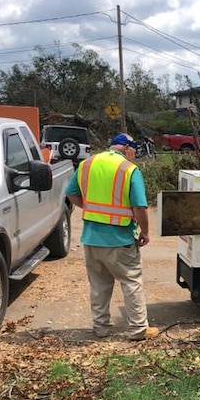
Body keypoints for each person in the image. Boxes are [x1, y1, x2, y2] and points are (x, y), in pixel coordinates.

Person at [66, 132, 159, 341]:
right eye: (134, 149)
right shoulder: (129, 169)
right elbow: (140, 207)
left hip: (91, 238)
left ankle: (101, 328)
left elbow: (71, 193)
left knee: (99, 285)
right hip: (120, 238)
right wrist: (145, 232)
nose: (134, 154)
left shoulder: (87, 164)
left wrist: (89, 208)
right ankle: (138, 329)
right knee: (131, 282)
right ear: (126, 148)